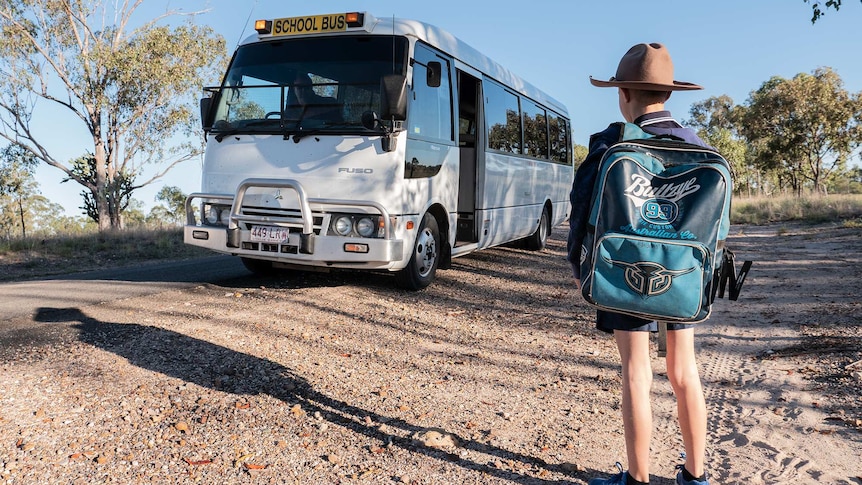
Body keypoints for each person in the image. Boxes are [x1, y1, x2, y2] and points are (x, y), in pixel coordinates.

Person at [567, 43, 711, 485]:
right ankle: (696, 475)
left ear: (623, 93)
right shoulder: (700, 149)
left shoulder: (612, 143)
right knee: (684, 370)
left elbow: (581, 212)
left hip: (623, 272)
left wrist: (584, 269)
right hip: (683, 274)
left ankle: (638, 478)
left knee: (636, 370)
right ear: (668, 94)